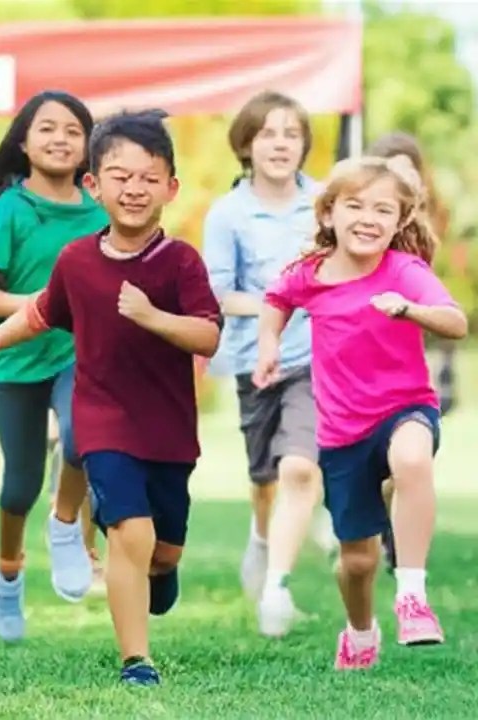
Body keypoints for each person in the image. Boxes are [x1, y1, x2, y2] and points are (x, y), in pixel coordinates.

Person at [0, 109, 222, 686]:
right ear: (94, 185)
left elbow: (208, 334)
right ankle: (137, 661)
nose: (134, 189)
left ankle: (160, 571)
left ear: (171, 188)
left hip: (168, 428)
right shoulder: (77, 261)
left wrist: (154, 317)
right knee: (131, 531)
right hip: (104, 420)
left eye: (149, 178)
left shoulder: (181, 262)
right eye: (120, 176)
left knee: (162, 552)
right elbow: (39, 313)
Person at [255, 155, 465, 670]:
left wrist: (409, 309)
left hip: (405, 407)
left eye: (383, 210)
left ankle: (412, 594)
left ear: (399, 221)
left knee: (412, 459)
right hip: (342, 432)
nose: (369, 218)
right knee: (357, 560)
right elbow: (276, 300)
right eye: (355, 205)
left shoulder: (404, 271)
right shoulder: (309, 274)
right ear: (329, 213)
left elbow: (455, 322)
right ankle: (360, 630)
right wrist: (268, 345)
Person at [0, 90, 105, 643]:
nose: (60, 139)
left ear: (88, 147)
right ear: (24, 143)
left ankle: (66, 525)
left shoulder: (101, 212)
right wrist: (43, 304)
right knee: (19, 485)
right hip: (16, 359)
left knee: (83, 436)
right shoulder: (10, 209)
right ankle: (8, 575)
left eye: (73, 131)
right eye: (47, 128)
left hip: (79, 354)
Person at [202, 91, 330, 636]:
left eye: (292, 134)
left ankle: (276, 588)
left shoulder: (325, 202)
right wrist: (277, 304)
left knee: (300, 467)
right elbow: (218, 294)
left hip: (317, 359)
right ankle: (260, 536)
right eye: (268, 134)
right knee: (264, 479)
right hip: (256, 361)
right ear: (246, 145)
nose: (281, 145)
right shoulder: (228, 214)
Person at [364, 132, 453, 574]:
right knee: (375, 466)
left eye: (410, 171)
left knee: (410, 455)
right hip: (361, 357)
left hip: (404, 359)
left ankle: (398, 537)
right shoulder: (361, 226)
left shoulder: (423, 236)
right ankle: (380, 528)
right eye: (392, 170)